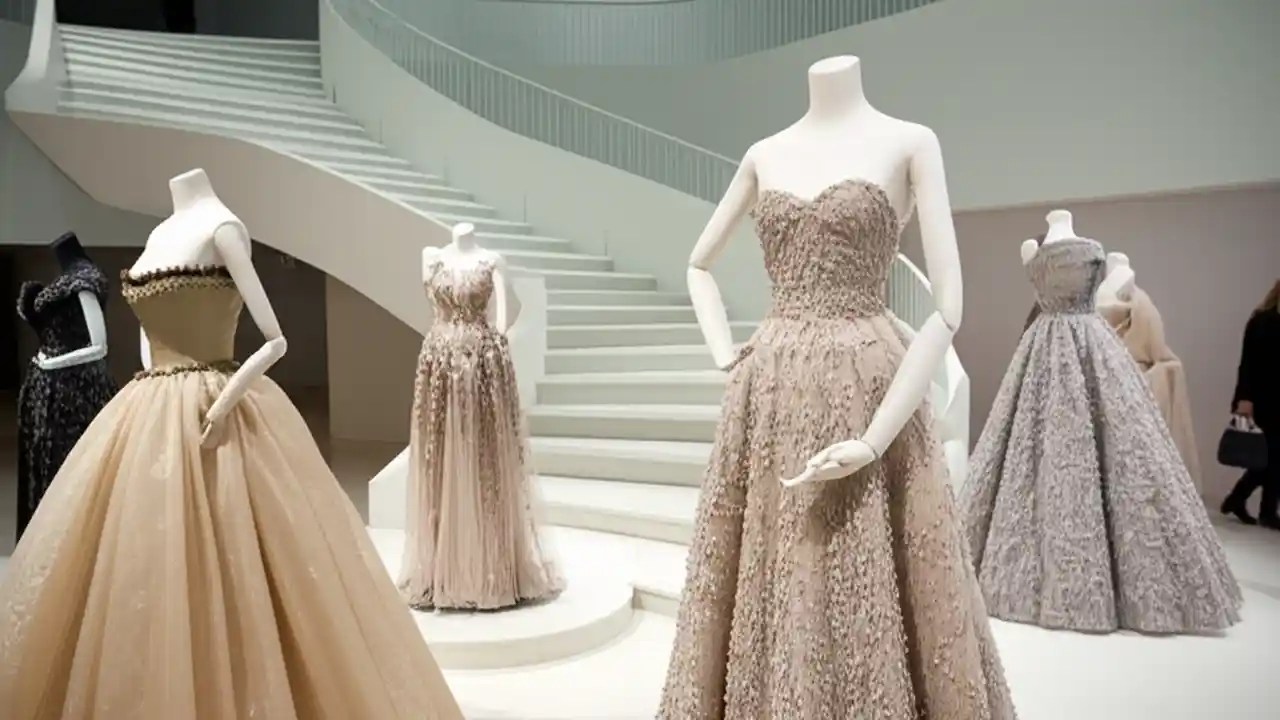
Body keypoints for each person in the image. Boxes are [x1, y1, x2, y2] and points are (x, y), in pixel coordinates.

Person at [1221, 280, 1280, 529]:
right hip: (1261, 399)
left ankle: (1252, 505)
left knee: (1275, 458)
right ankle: (1247, 503)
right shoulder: (1261, 321)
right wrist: (1244, 398)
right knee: (1270, 458)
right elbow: (1247, 363)